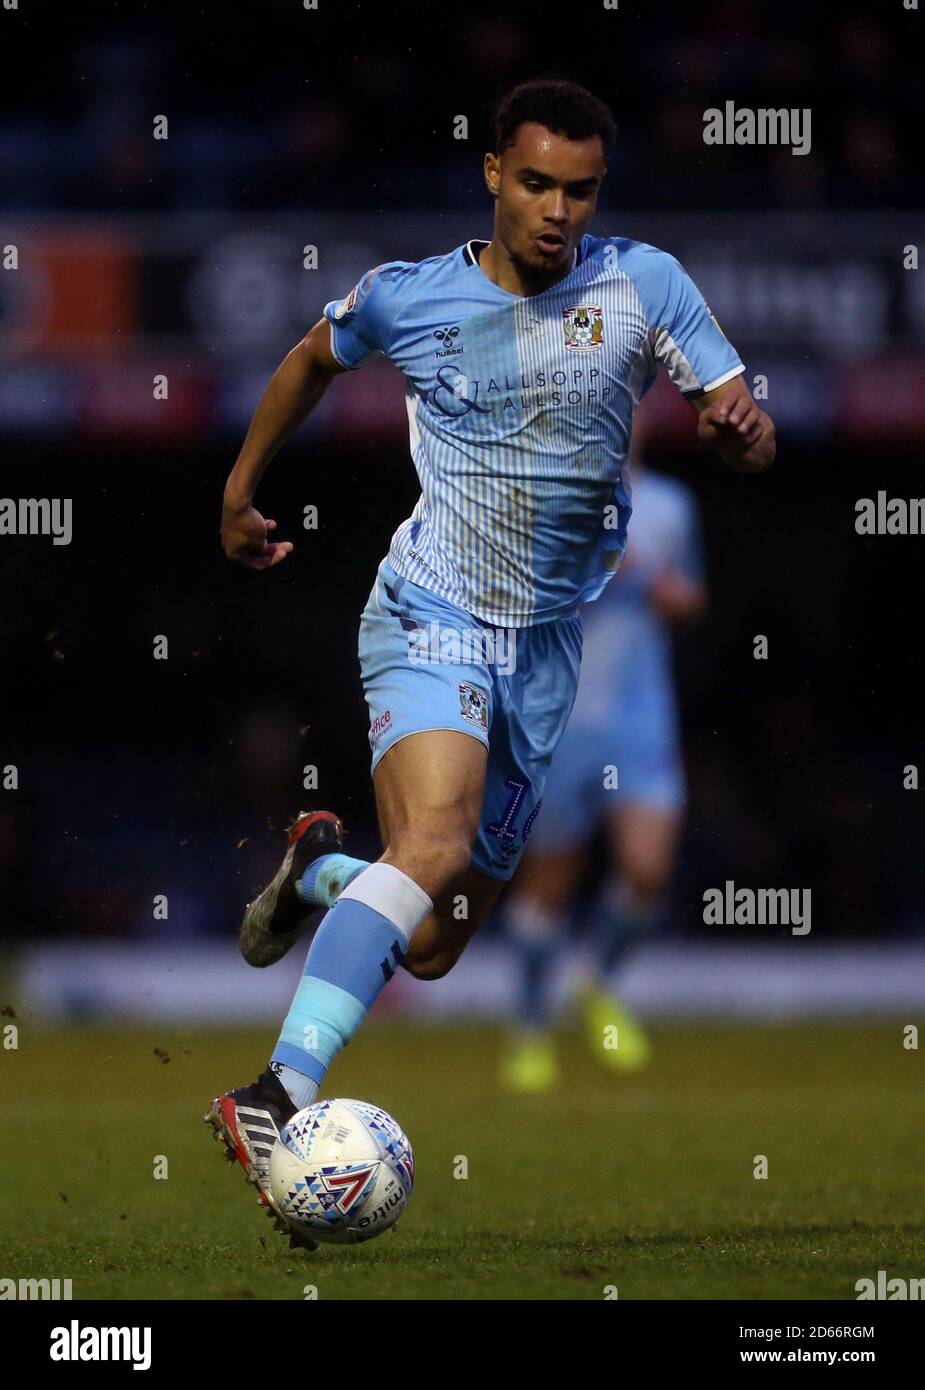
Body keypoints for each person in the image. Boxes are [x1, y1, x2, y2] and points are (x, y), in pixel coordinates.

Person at [206, 77, 775, 1244]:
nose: (558, 210)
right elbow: (312, 357)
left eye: (579, 189)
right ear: (491, 176)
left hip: (545, 651)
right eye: (535, 184)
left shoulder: (644, 285)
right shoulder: (413, 298)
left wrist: (744, 434)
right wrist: (238, 489)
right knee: (434, 845)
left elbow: (738, 417)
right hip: (432, 609)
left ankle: (316, 876)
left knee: (434, 938)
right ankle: (274, 1094)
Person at [500, 440, 707, 1093]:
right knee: (549, 886)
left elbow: (688, 598)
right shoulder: (545, 492)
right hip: (559, 718)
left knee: (646, 869)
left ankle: (601, 980)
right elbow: (520, 593)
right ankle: (531, 1027)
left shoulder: (671, 503)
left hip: (639, 719)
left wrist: (658, 585)